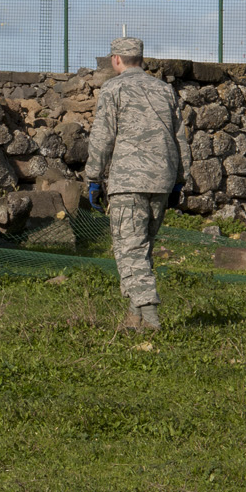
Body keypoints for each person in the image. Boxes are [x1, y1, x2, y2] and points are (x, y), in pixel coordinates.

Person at [85, 35, 189, 332]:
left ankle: (151, 318)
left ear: (116, 59)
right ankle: (134, 320)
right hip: (162, 180)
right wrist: (180, 181)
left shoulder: (113, 88)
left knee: (130, 252)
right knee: (141, 251)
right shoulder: (164, 90)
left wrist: (93, 177)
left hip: (128, 181)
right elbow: (180, 137)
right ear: (141, 59)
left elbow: (102, 137)